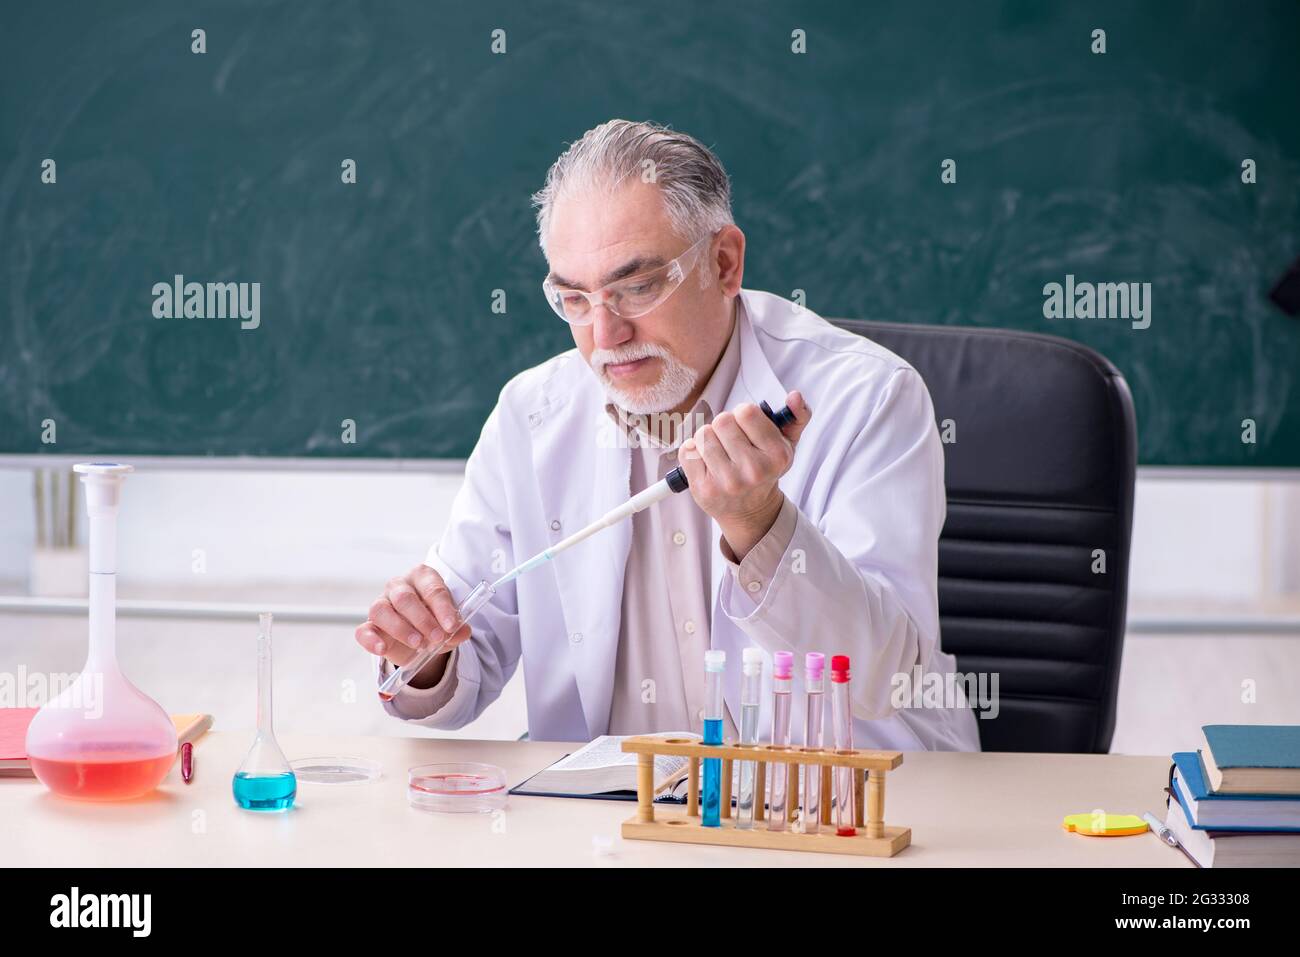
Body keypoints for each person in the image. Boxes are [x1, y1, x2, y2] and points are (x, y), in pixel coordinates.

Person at [355, 119, 980, 751]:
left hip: (839, 812)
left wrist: (760, 526)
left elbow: (883, 678)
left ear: (723, 262)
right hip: (616, 821)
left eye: (638, 288)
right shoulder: (531, 414)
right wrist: (425, 654)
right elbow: (463, 659)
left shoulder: (865, 397)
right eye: (575, 300)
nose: (605, 335)